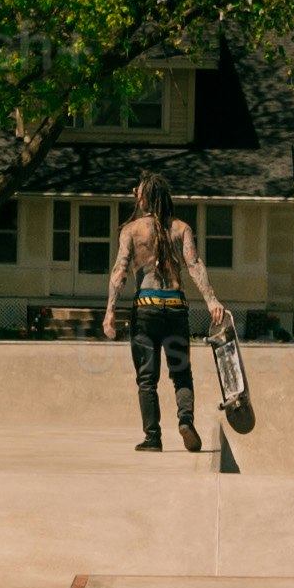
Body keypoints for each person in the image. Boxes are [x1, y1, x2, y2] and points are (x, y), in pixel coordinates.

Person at [107, 170, 227, 454]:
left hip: (145, 310)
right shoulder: (181, 228)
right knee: (181, 373)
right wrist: (212, 301)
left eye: (138, 192)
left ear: (146, 197)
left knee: (147, 379)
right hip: (175, 309)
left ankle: (152, 438)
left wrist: (110, 311)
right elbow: (194, 265)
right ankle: (185, 420)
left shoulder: (132, 231)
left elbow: (120, 271)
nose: (134, 195)